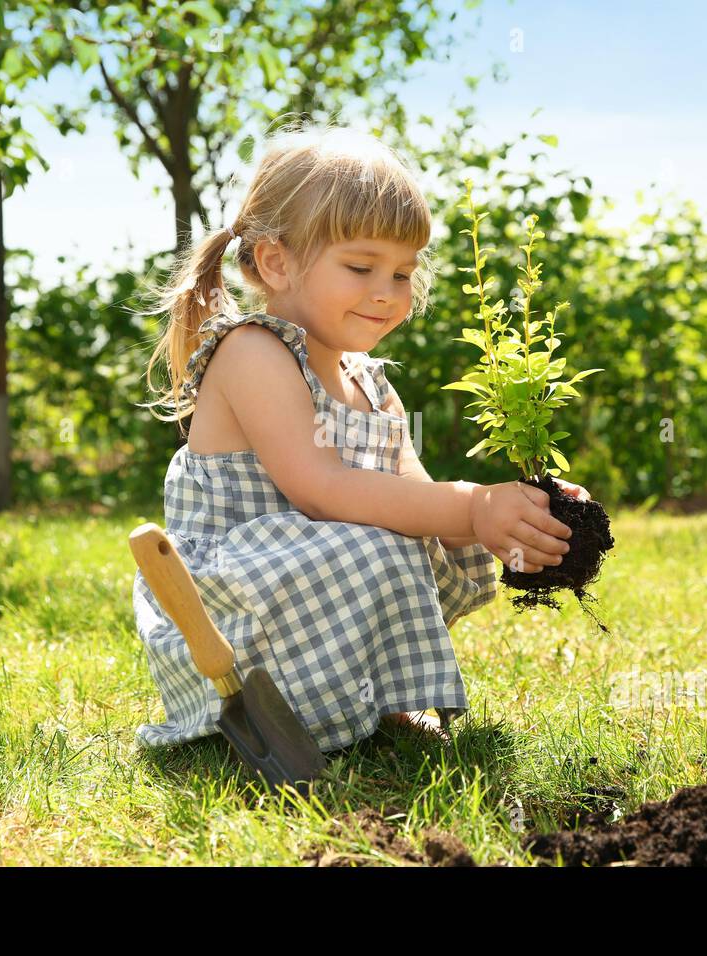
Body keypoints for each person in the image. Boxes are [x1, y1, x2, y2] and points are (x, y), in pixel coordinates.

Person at [133, 121, 579, 755]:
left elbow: (420, 505)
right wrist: (473, 504)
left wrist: (523, 512)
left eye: (403, 273)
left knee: (412, 537)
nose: (386, 293)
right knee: (375, 545)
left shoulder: (369, 384)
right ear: (276, 262)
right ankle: (290, 707)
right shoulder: (254, 353)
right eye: (362, 266)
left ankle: (366, 700)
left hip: (305, 589)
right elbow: (321, 491)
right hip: (230, 609)